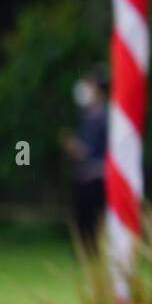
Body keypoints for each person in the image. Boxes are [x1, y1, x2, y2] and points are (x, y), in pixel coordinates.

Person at [61, 67, 109, 255]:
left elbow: (86, 150)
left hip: (96, 176)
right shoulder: (87, 114)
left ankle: (91, 252)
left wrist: (71, 144)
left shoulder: (101, 116)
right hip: (84, 175)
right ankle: (85, 251)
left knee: (92, 219)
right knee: (83, 218)